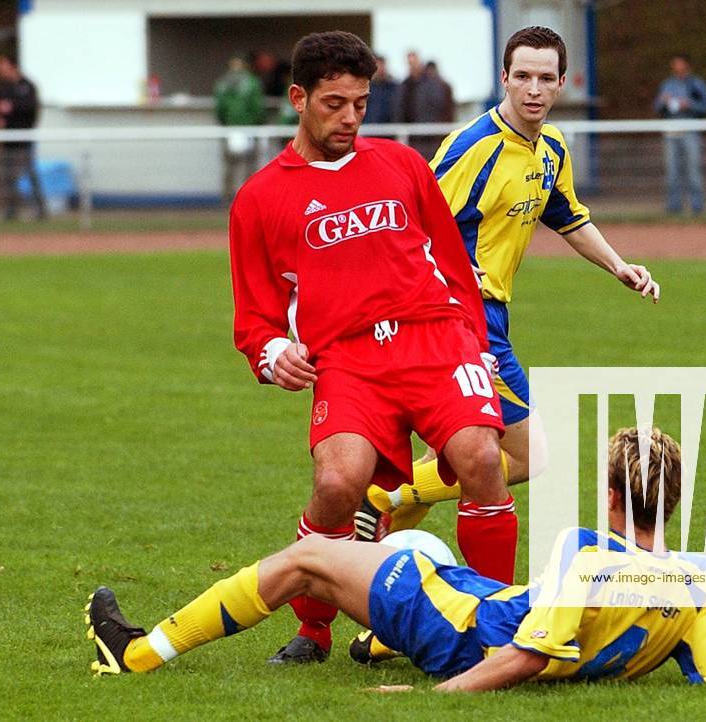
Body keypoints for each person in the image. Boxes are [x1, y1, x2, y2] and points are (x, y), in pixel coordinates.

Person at [86, 426, 706, 690]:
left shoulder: (585, 553)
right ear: (673, 501)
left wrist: (438, 698)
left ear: (609, 497)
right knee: (416, 544)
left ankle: (139, 654)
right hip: (473, 597)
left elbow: (528, 656)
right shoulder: (700, 582)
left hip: (458, 624)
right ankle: (376, 638)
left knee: (307, 556)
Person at [226, 31, 515, 665]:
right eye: (334, 103)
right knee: (337, 482)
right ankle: (313, 630)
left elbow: (451, 263)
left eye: (361, 102)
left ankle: (499, 619)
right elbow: (253, 317)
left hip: (436, 341)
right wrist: (274, 353)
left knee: (481, 459)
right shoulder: (259, 198)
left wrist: (477, 341)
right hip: (349, 360)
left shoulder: (403, 165)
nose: (351, 117)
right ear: (298, 99)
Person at [356, 27, 659, 545]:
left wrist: (618, 266)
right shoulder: (474, 148)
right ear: (504, 78)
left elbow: (567, 217)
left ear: (562, 83)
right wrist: (449, 270)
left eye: (545, 78)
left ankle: (376, 575)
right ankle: (384, 498)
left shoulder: (552, 148)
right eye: (522, 77)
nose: (533, 89)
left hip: (489, 316)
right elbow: (407, 222)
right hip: (461, 319)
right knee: (527, 456)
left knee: (446, 453)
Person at [654, 53, 706, 215]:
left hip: (690, 129)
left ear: (686, 65)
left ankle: (697, 207)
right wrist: (663, 102)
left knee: (693, 170)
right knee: (672, 171)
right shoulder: (667, 85)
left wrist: (689, 104)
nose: (677, 67)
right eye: (675, 64)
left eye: (680, 64)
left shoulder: (696, 84)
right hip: (671, 130)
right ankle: (673, 208)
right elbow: (657, 107)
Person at [0, 54, 46, 221]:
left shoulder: (27, 85)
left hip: (24, 137)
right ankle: (11, 210)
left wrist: (11, 108)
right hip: (8, 138)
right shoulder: (1, 87)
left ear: (13, 67)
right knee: (9, 175)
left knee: (30, 172)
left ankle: (40, 209)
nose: (1, 71)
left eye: (3, 67)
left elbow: (31, 108)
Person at [214, 56, 265, 204]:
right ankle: (248, 198)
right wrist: (257, 122)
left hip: (229, 128)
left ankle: (228, 198)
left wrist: (226, 123)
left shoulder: (222, 83)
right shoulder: (252, 82)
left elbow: (220, 109)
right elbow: (257, 108)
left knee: (230, 164)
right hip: (249, 128)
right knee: (249, 165)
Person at [364, 55, 399, 125]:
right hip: (369, 127)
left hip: (389, 128)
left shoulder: (394, 87)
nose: (380, 69)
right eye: (378, 67)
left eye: (382, 66)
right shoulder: (367, 88)